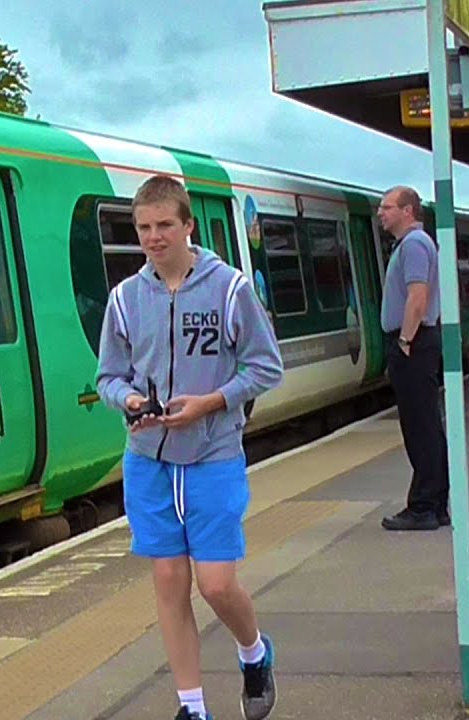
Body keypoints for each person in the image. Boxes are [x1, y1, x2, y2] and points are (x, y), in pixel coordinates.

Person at [96, 175, 284, 720]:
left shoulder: (229, 289)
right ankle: (192, 707)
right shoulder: (125, 299)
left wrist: (213, 402)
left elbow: (265, 366)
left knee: (216, 584)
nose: (154, 237)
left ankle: (254, 652)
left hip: (213, 457)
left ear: (187, 226)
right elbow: (108, 375)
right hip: (149, 462)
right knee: (169, 581)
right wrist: (128, 399)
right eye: (144, 228)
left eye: (164, 226)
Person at [375, 186, 450, 531]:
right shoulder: (412, 245)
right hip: (417, 342)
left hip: (414, 343)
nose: (380, 213)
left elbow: (417, 297)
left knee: (420, 427)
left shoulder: (415, 245)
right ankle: (432, 504)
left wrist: (405, 339)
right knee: (425, 425)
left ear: (407, 211)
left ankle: (424, 506)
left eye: (386, 207)